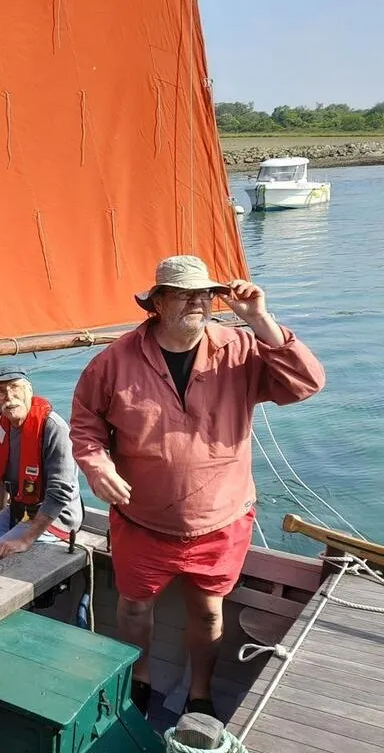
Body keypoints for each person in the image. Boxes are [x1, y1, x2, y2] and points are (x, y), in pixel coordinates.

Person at [70, 255, 325, 719]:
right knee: (133, 608)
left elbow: (306, 383)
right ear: (157, 302)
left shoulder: (240, 348)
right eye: (184, 294)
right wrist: (97, 466)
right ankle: (140, 678)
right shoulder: (113, 362)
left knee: (209, 611)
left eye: (205, 294)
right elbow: (86, 425)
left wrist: (261, 320)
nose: (197, 302)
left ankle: (200, 692)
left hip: (220, 519)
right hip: (141, 520)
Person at [0, 367, 82, 579]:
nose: (9, 397)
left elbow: (61, 492)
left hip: (55, 518)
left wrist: (25, 540)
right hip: (19, 510)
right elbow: (2, 466)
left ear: (29, 390)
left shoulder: (54, 428)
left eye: (15, 387)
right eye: (1, 392)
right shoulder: (0, 420)